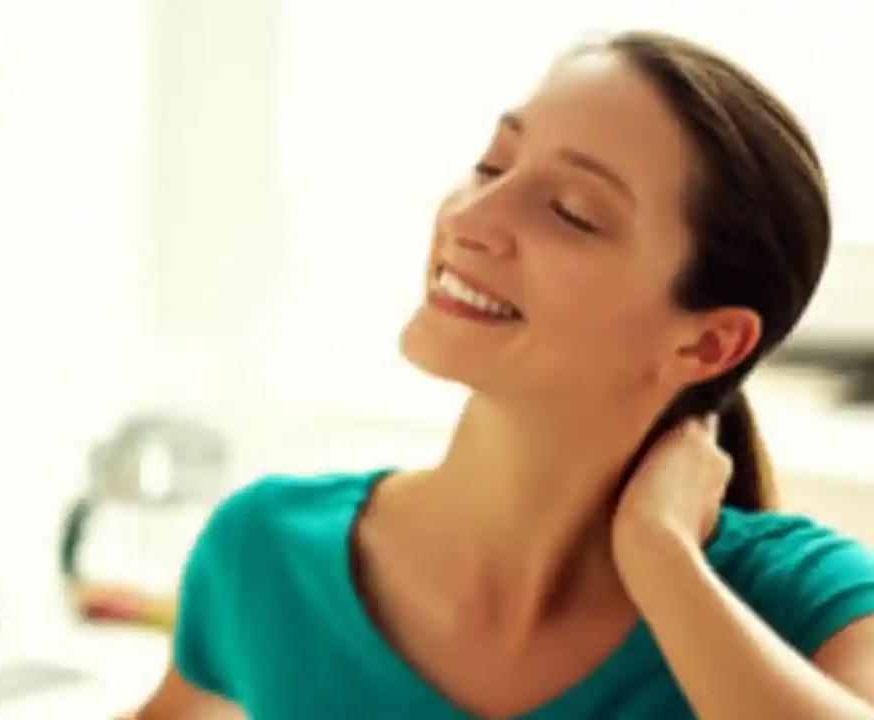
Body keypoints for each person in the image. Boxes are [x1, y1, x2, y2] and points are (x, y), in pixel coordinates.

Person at [133, 30, 874, 719]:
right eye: (492, 165)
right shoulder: (266, 552)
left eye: (570, 212)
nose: (470, 217)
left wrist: (661, 559)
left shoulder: (803, 601)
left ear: (708, 344)